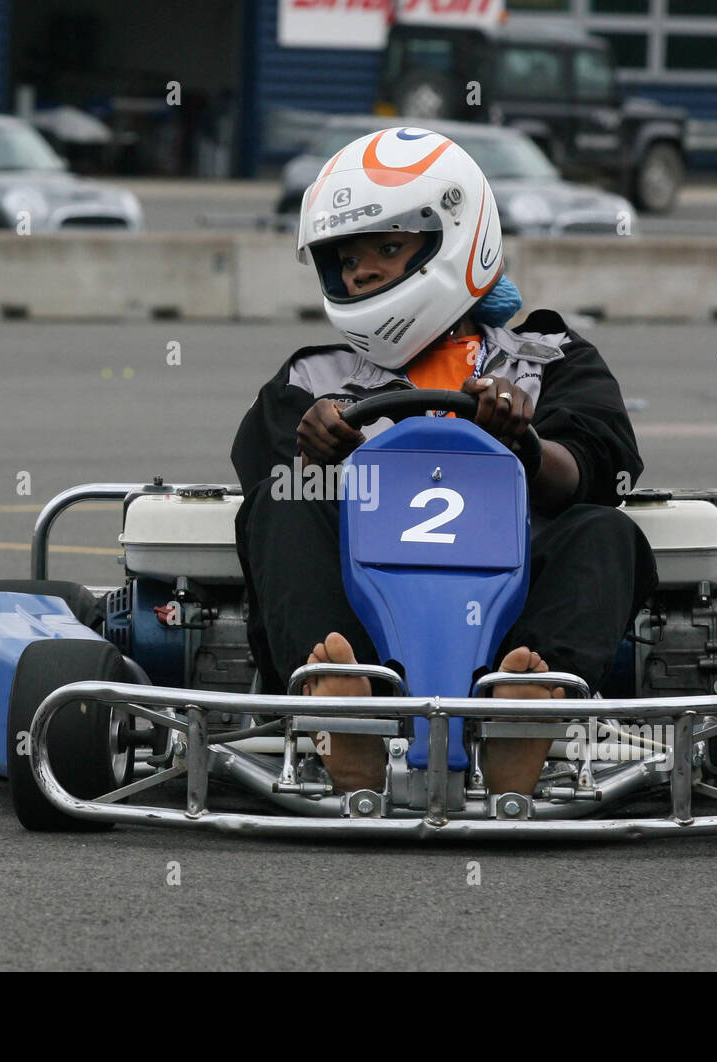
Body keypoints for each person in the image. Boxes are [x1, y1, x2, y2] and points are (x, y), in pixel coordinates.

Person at [230, 127, 657, 796]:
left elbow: (596, 470)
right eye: (343, 258)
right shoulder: (316, 379)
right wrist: (317, 456)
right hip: (360, 618)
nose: (359, 272)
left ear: (456, 237)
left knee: (606, 533)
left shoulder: (547, 358)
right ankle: (344, 715)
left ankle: (524, 710)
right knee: (281, 501)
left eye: (386, 248)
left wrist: (526, 445)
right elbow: (267, 479)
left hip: (510, 609)